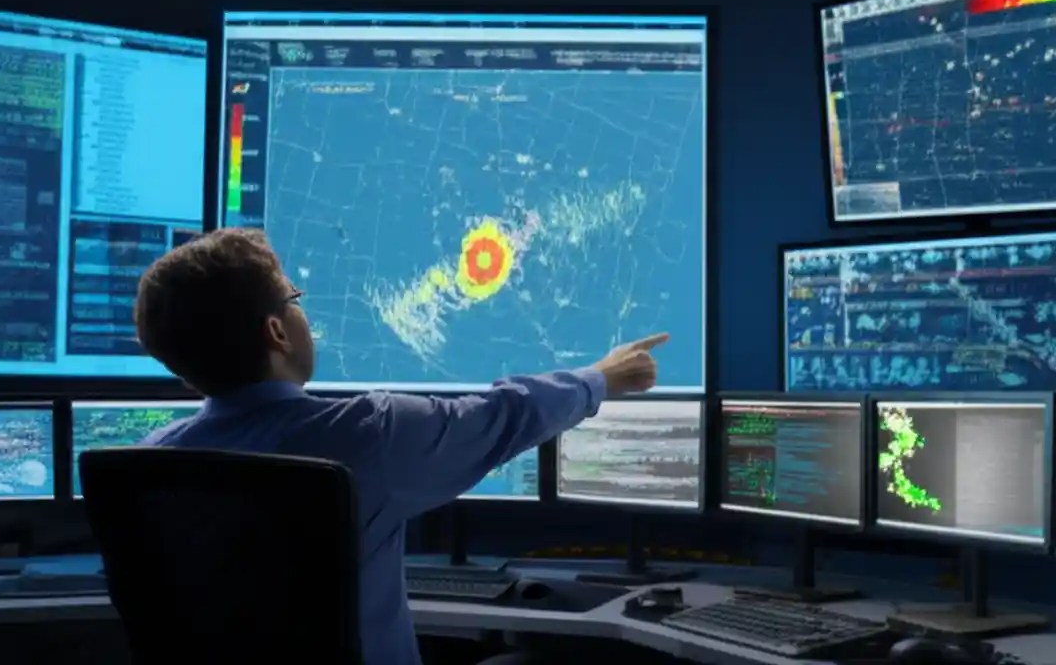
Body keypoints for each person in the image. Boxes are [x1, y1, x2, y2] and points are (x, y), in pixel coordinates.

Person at [132, 228, 669, 664]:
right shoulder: (365, 434)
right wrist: (603, 377)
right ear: (277, 332)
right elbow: (506, 416)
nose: (302, 313)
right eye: (294, 299)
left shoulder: (144, 468)